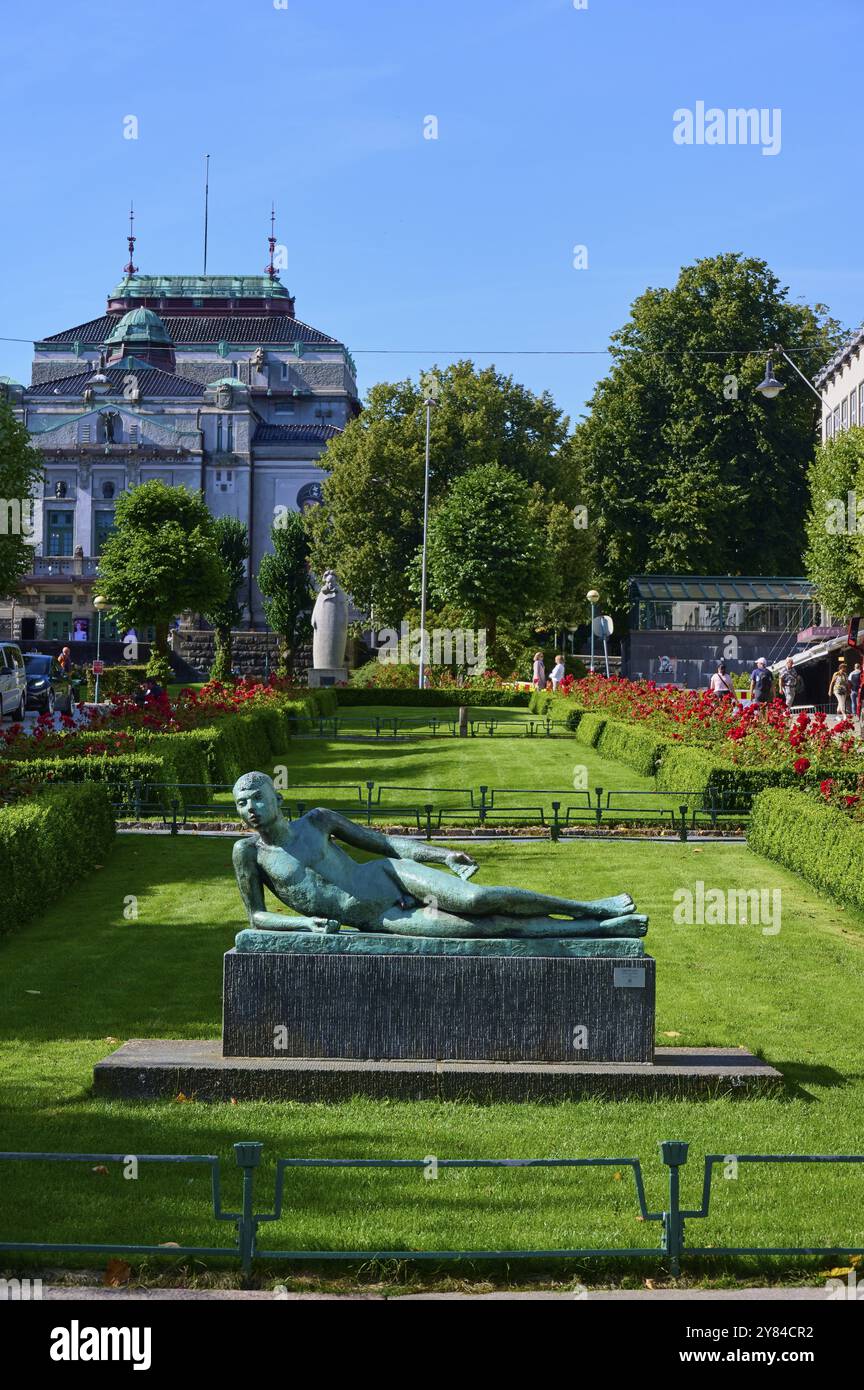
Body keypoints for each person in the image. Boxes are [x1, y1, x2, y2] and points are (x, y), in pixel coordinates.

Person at [231, 771, 646, 939]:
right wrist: (304, 924)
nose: (251, 809)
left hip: (388, 877)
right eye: (241, 804)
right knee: (484, 929)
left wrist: (442, 854)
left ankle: (591, 907)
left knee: (476, 901)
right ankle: (602, 930)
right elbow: (256, 918)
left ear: (277, 796)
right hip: (379, 917)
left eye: (257, 799)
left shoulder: (317, 820)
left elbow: (386, 845)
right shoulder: (248, 853)